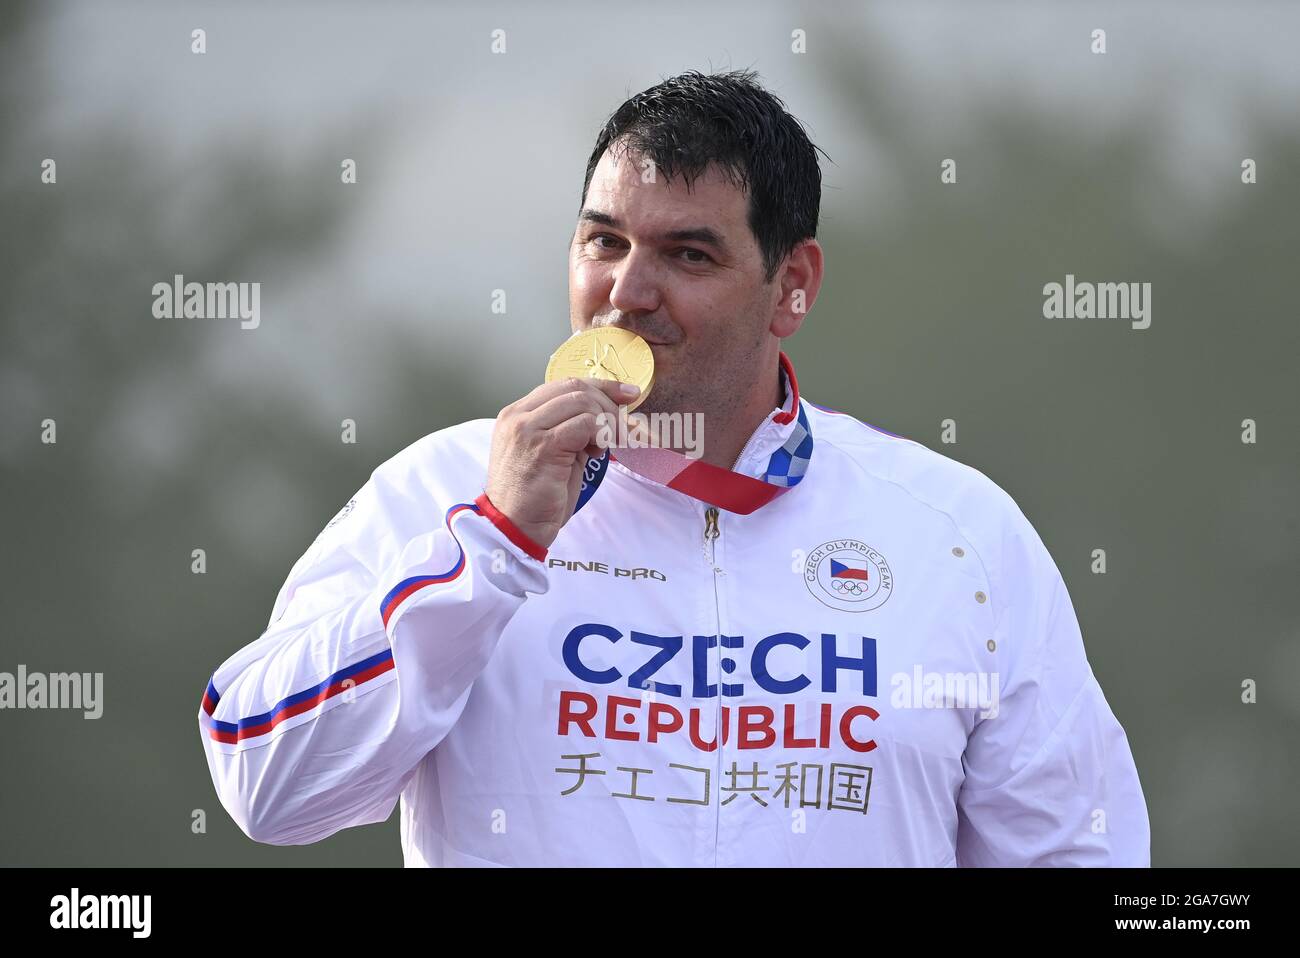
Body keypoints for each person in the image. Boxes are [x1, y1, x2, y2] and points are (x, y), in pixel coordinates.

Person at [198, 69, 1150, 866]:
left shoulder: (954, 532)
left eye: (687, 254)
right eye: (603, 240)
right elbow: (266, 783)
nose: (626, 292)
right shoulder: (445, 491)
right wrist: (492, 549)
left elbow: (1079, 852)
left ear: (794, 286)